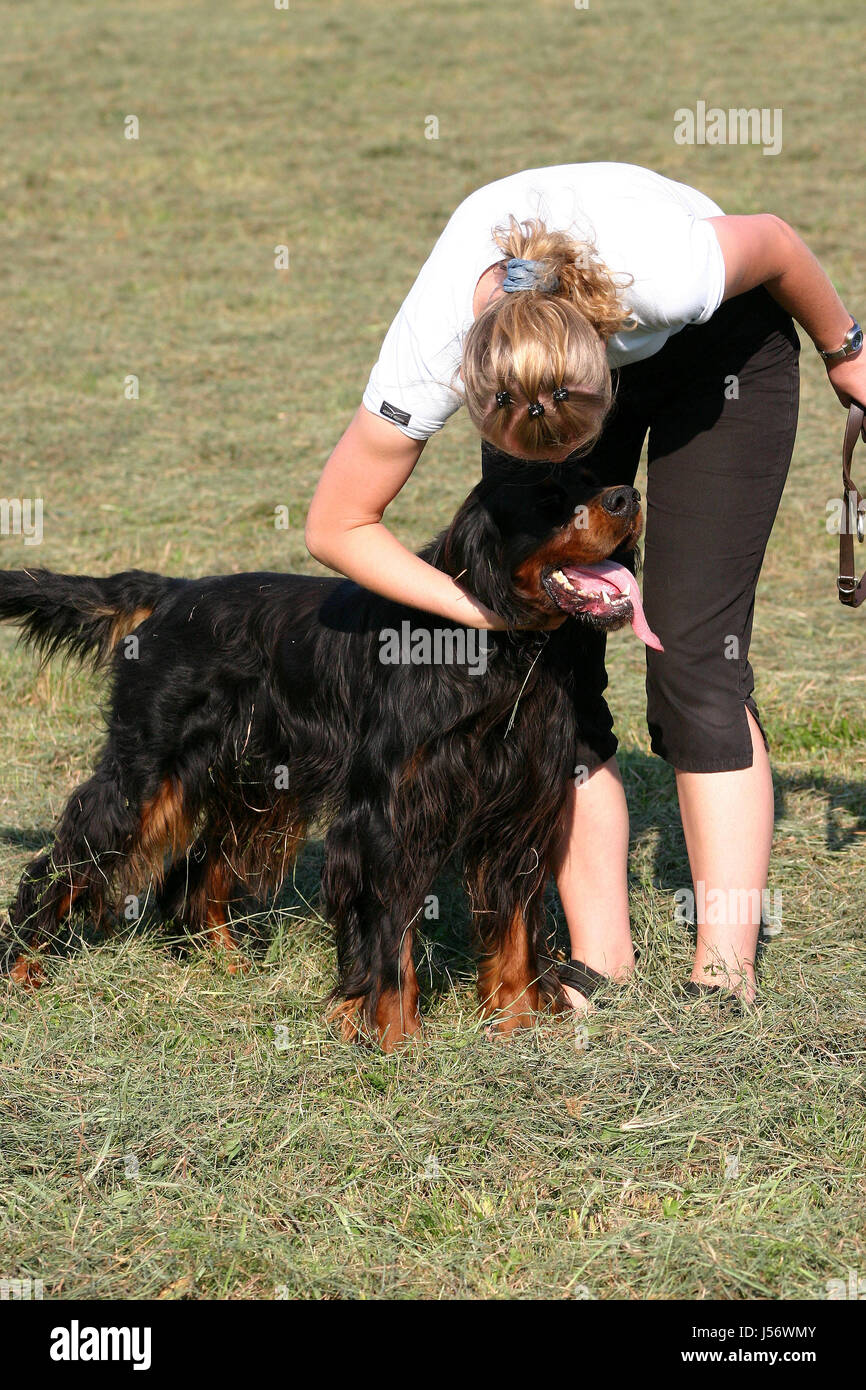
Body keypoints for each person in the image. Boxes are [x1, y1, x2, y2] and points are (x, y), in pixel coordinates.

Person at [305, 162, 865, 1010]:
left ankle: (724, 971)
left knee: (693, 658)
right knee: (551, 661)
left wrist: (846, 350)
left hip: (725, 351)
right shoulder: (433, 348)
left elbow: (780, 243)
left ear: (605, 373)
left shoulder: (669, 275)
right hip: (543, 355)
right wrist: (485, 611)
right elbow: (336, 525)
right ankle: (601, 957)